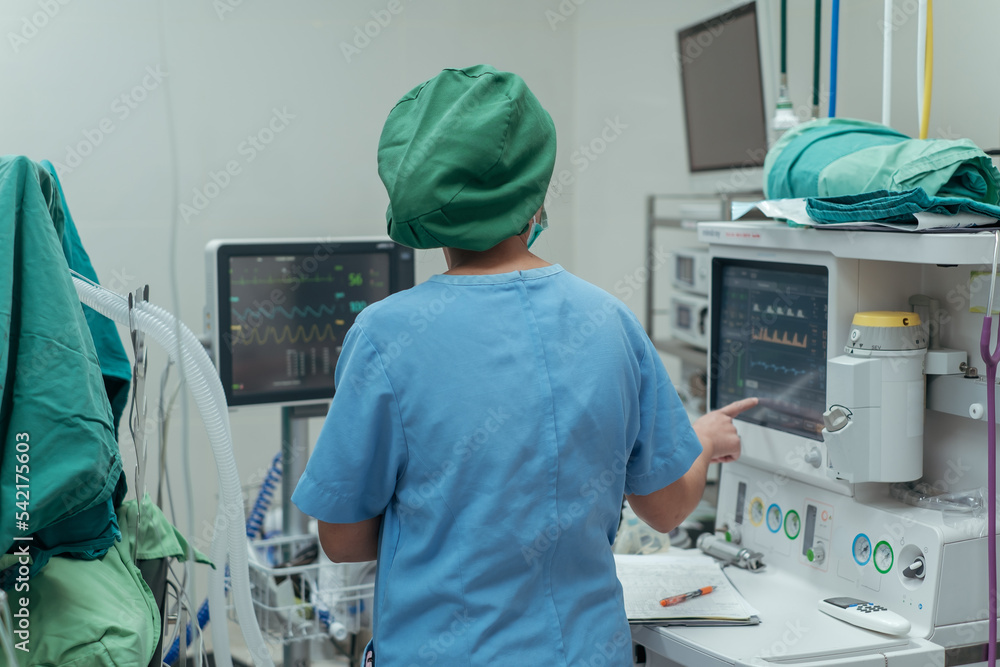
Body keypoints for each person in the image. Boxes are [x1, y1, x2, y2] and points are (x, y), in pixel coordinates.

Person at [291, 64, 757, 666]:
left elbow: (344, 539)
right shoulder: (609, 321)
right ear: (536, 192)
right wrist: (700, 438)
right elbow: (665, 509)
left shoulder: (387, 336)